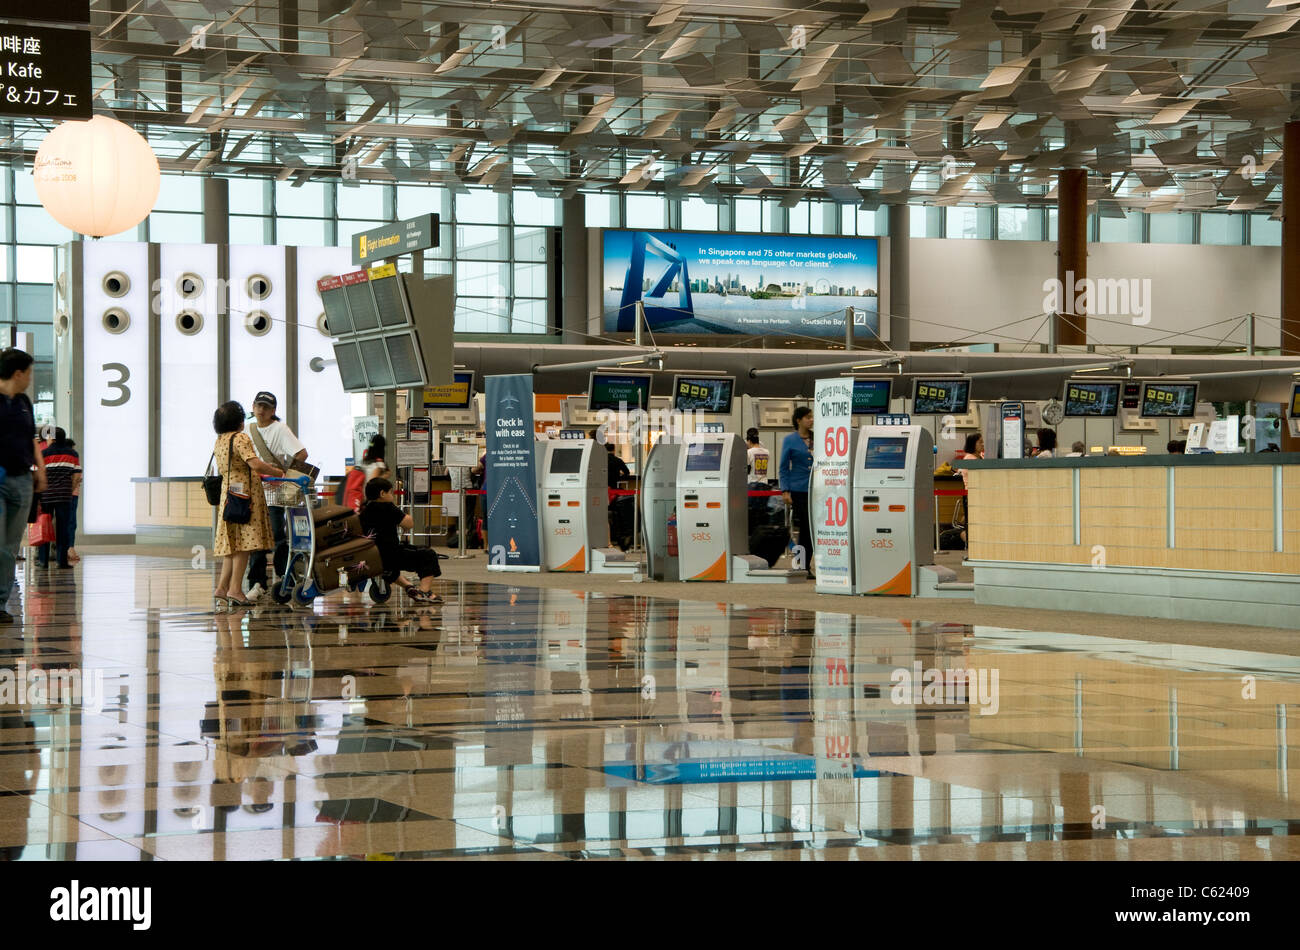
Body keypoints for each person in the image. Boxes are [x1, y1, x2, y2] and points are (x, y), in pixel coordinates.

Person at [211, 401, 283, 610]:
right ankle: (235, 590)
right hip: (243, 494)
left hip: (229, 493)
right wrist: (278, 472)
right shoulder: (240, 437)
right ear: (239, 422)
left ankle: (222, 589)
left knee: (232, 546)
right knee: (244, 546)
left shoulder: (220, 441)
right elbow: (254, 463)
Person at [245, 392, 308, 600]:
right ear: (253, 406)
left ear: (273, 411)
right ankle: (257, 582)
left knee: (276, 536)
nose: (261, 410)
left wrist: (287, 475)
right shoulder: (247, 430)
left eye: (266, 407)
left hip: (274, 494)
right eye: (258, 406)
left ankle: (284, 576)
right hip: (253, 492)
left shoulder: (280, 429)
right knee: (255, 539)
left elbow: (301, 454)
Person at [0, 349, 45, 624]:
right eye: (29, 372)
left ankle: (0, 603)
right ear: (18, 373)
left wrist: (39, 468)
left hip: (22, 479)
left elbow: (31, 438)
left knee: (9, 547)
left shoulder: (25, 402)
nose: (31, 378)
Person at [359, 476, 442, 604]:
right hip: (391, 554)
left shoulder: (365, 509)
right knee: (428, 554)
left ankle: (409, 587)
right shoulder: (387, 507)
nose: (392, 495)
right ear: (382, 493)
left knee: (389, 568)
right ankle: (425, 592)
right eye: (390, 492)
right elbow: (409, 524)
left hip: (372, 555)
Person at [36, 428, 80, 569]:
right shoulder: (72, 454)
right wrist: (69, 490)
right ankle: (62, 561)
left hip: (46, 496)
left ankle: (43, 561)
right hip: (64, 497)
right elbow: (77, 476)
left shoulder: (43, 454)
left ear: (53, 439)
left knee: (45, 527)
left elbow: (37, 475)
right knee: (63, 529)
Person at [779, 406, 815, 577]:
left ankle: (806, 565)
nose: (811, 420)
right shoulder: (790, 440)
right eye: (807, 417)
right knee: (805, 528)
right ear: (798, 420)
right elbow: (784, 467)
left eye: (812, 417)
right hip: (798, 488)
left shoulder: (817, 438)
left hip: (817, 488)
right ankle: (803, 565)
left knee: (813, 529)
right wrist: (785, 490)